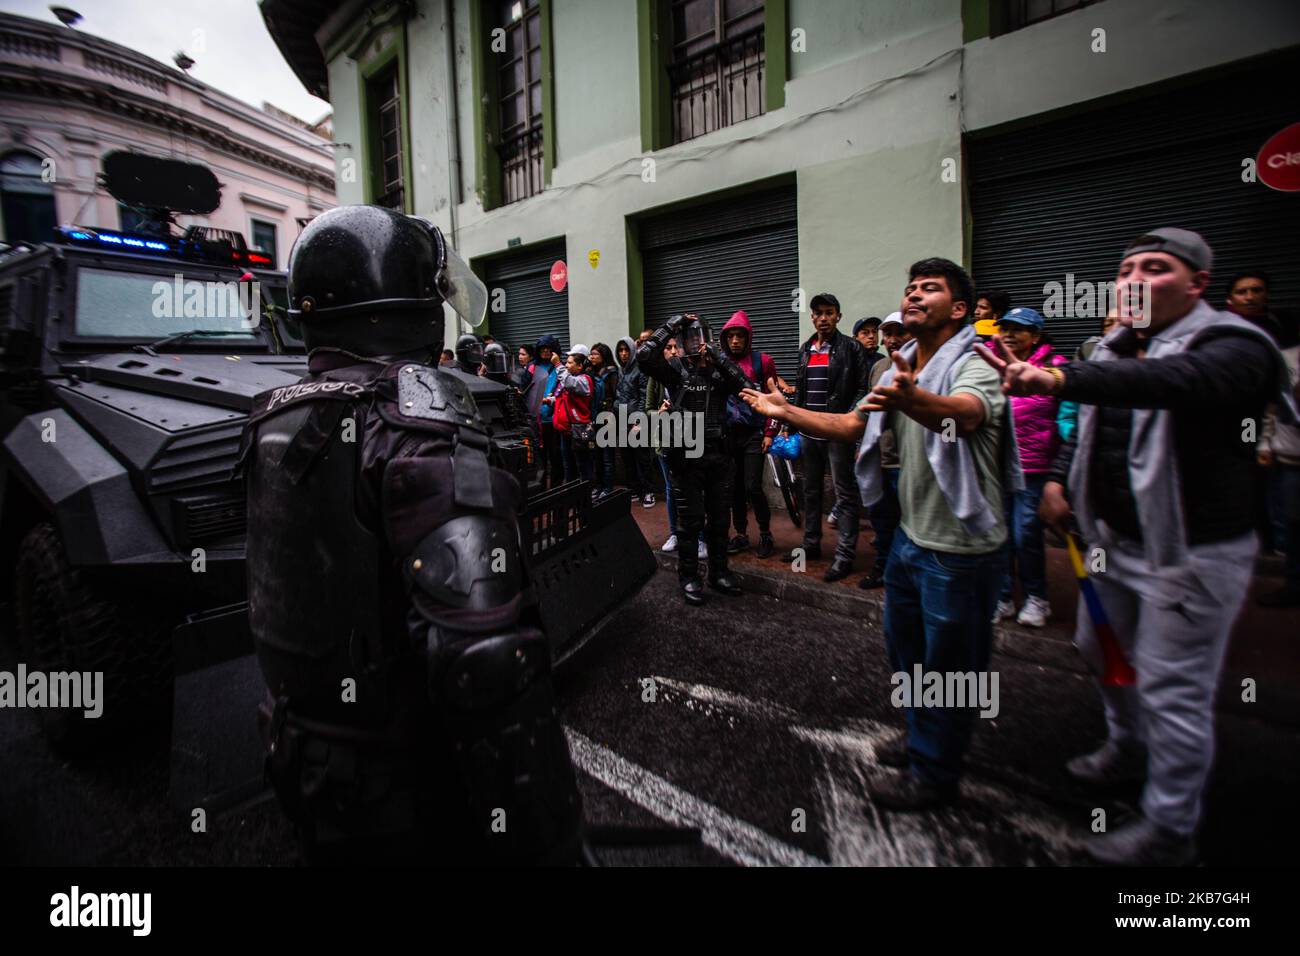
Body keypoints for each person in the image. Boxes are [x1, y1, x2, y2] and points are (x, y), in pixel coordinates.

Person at [240, 204, 583, 864]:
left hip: (305, 761)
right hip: (408, 790)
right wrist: (555, 842)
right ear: (413, 303)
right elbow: (485, 664)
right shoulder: (417, 430)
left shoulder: (272, 418)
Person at [986, 227, 1295, 865]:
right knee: (1100, 648)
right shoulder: (1113, 349)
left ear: (1197, 283)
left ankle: (1170, 830)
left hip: (1190, 553)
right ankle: (1126, 747)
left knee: (1171, 688)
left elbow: (1179, 382)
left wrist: (1055, 379)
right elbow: (1090, 426)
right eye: (1126, 267)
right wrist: (1055, 479)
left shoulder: (1237, 343)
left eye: (1155, 267)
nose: (1133, 278)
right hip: (1110, 542)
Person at [745, 259, 1014, 811]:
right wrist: (786, 410)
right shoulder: (902, 366)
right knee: (909, 658)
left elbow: (964, 415)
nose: (913, 293)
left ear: (960, 309)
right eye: (910, 286)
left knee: (953, 671)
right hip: (913, 542)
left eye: (929, 288)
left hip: (961, 551)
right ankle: (921, 734)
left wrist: (915, 401)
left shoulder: (976, 361)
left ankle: (934, 774)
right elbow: (849, 425)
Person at [638, 314, 756, 605]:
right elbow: (644, 356)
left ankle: (719, 573)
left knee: (718, 521)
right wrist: (670, 326)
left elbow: (746, 386)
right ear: (680, 343)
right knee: (689, 524)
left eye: (702, 337)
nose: (697, 343)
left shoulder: (719, 372)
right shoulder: (675, 370)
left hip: (719, 455)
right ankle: (689, 577)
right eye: (691, 338)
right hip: (685, 458)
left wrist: (718, 357)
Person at [989, 307, 1066, 629]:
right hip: (996, 467)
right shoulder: (989, 364)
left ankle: (1037, 597)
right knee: (1000, 535)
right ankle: (1004, 596)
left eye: (1018, 329)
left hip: (1034, 469)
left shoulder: (1054, 368)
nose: (1008, 334)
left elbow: (1068, 417)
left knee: (1025, 534)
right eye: (1004, 328)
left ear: (1035, 336)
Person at [788, 292, 873, 582]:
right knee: (810, 491)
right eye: (818, 313)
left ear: (838, 316)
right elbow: (800, 389)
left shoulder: (851, 348)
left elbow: (863, 388)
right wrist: (792, 418)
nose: (823, 318)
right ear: (811, 317)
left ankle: (844, 555)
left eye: (829, 313)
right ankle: (810, 545)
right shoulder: (805, 349)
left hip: (836, 431)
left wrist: (847, 420)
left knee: (844, 492)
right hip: (809, 431)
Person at [721, 310, 779, 559]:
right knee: (733, 488)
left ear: (748, 338)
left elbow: (775, 400)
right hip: (728, 435)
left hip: (754, 432)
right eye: (731, 336)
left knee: (753, 486)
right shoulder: (720, 363)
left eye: (740, 336)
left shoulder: (762, 361)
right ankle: (742, 535)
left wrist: (769, 432)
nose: (735, 341)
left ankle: (766, 534)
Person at [859, 311, 908, 590]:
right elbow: (865, 416)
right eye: (887, 334)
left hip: (905, 463)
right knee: (882, 521)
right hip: (879, 458)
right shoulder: (878, 369)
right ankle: (882, 568)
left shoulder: (921, 368)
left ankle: (903, 575)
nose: (892, 340)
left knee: (906, 524)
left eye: (898, 332)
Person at [646, 336, 705, 559]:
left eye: (675, 347)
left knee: (695, 490)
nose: (672, 351)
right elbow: (648, 410)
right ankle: (675, 534)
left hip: (692, 440)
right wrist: (660, 412)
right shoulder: (657, 378)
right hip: (666, 442)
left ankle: (700, 538)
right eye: (667, 348)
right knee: (672, 490)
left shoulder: (694, 374)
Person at [1258, 335, 1300, 607]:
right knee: (1294, 523)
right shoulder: (1286, 358)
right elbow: (1268, 408)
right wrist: (1262, 443)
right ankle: (1294, 585)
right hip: (1291, 456)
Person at [546, 344, 597, 487]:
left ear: (580, 366)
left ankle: (586, 498)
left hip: (580, 431)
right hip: (566, 431)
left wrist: (557, 364)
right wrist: (549, 401)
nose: (566, 365)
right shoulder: (571, 378)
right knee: (569, 468)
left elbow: (570, 383)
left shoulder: (584, 380)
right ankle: (571, 499)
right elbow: (564, 399)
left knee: (583, 466)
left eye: (569, 363)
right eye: (565, 362)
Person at [614, 336, 653, 506]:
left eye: (626, 350)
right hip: (621, 420)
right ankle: (635, 489)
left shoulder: (640, 369)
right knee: (627, 458)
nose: (623, 354)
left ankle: (648, 491)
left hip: (636, 421)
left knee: (642, 459)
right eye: (620, 350)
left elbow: (644, 396)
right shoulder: (621, 370)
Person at [528, 334, 565, 489]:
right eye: (542, 349)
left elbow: (563, 387)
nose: (545, 352)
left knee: (556, 456)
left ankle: (556, 488)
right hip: (537, 420)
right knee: (540, 458)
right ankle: (541, 489)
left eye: (548, 349)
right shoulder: (532, 367)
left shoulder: (559, 367)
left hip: (554, 419)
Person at [588, 343, 619, 500]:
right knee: (596, 456)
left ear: (603, 356)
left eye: (595, 354)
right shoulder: (591, 373)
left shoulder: (612, 373)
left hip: (608, 419)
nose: (592, 357)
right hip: (594, 418)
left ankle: (608, 487)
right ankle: (598, 486)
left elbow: (616, 396)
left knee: (607, 457)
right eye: (591, 354)